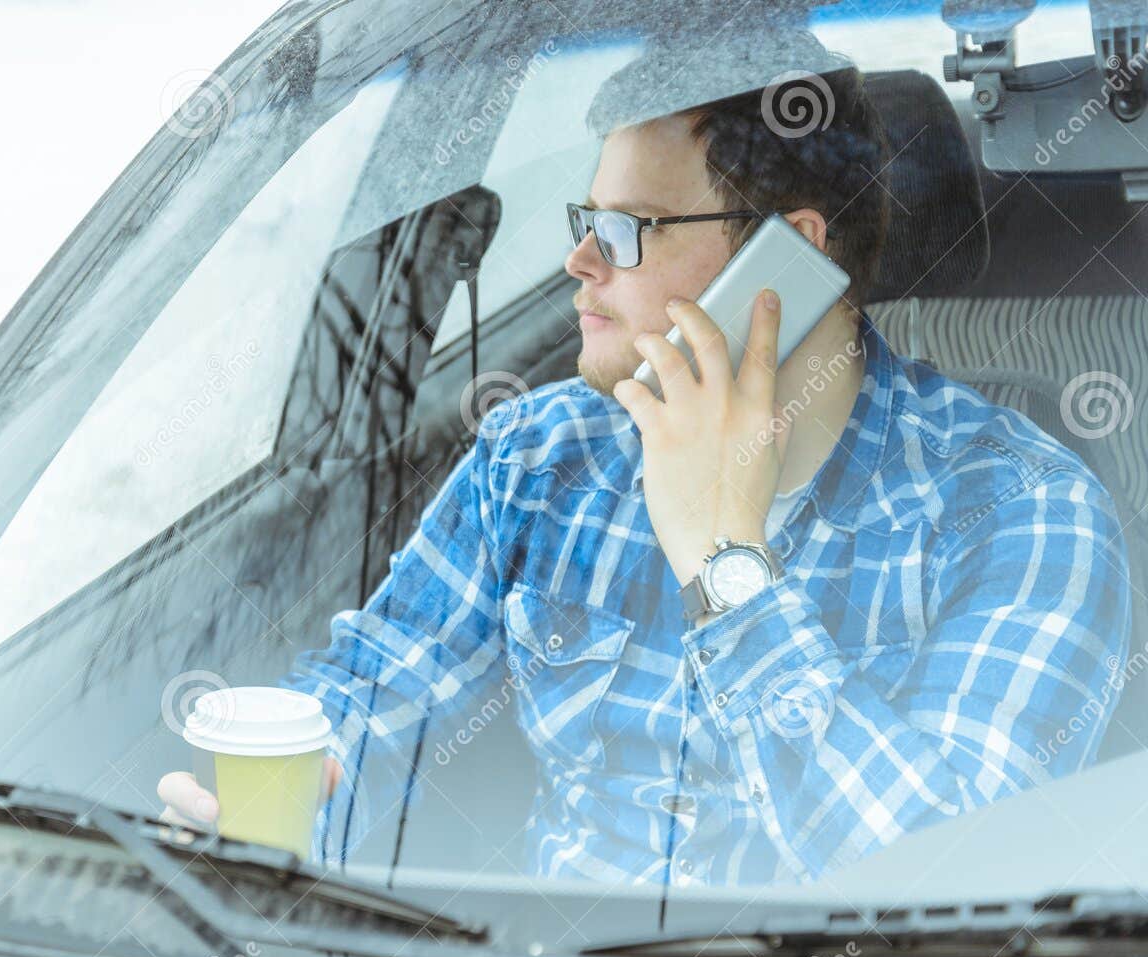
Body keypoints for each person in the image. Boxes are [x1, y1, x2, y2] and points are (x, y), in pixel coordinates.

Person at [160, 46, 1131, 886]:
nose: (579, 261)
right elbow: (370, 693)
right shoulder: (536, 459)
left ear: (785, 260)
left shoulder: (1021, 513)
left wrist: (726, 566)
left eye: (625, 230)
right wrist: (278, 801)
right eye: (585, 219)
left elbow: (938, 893)